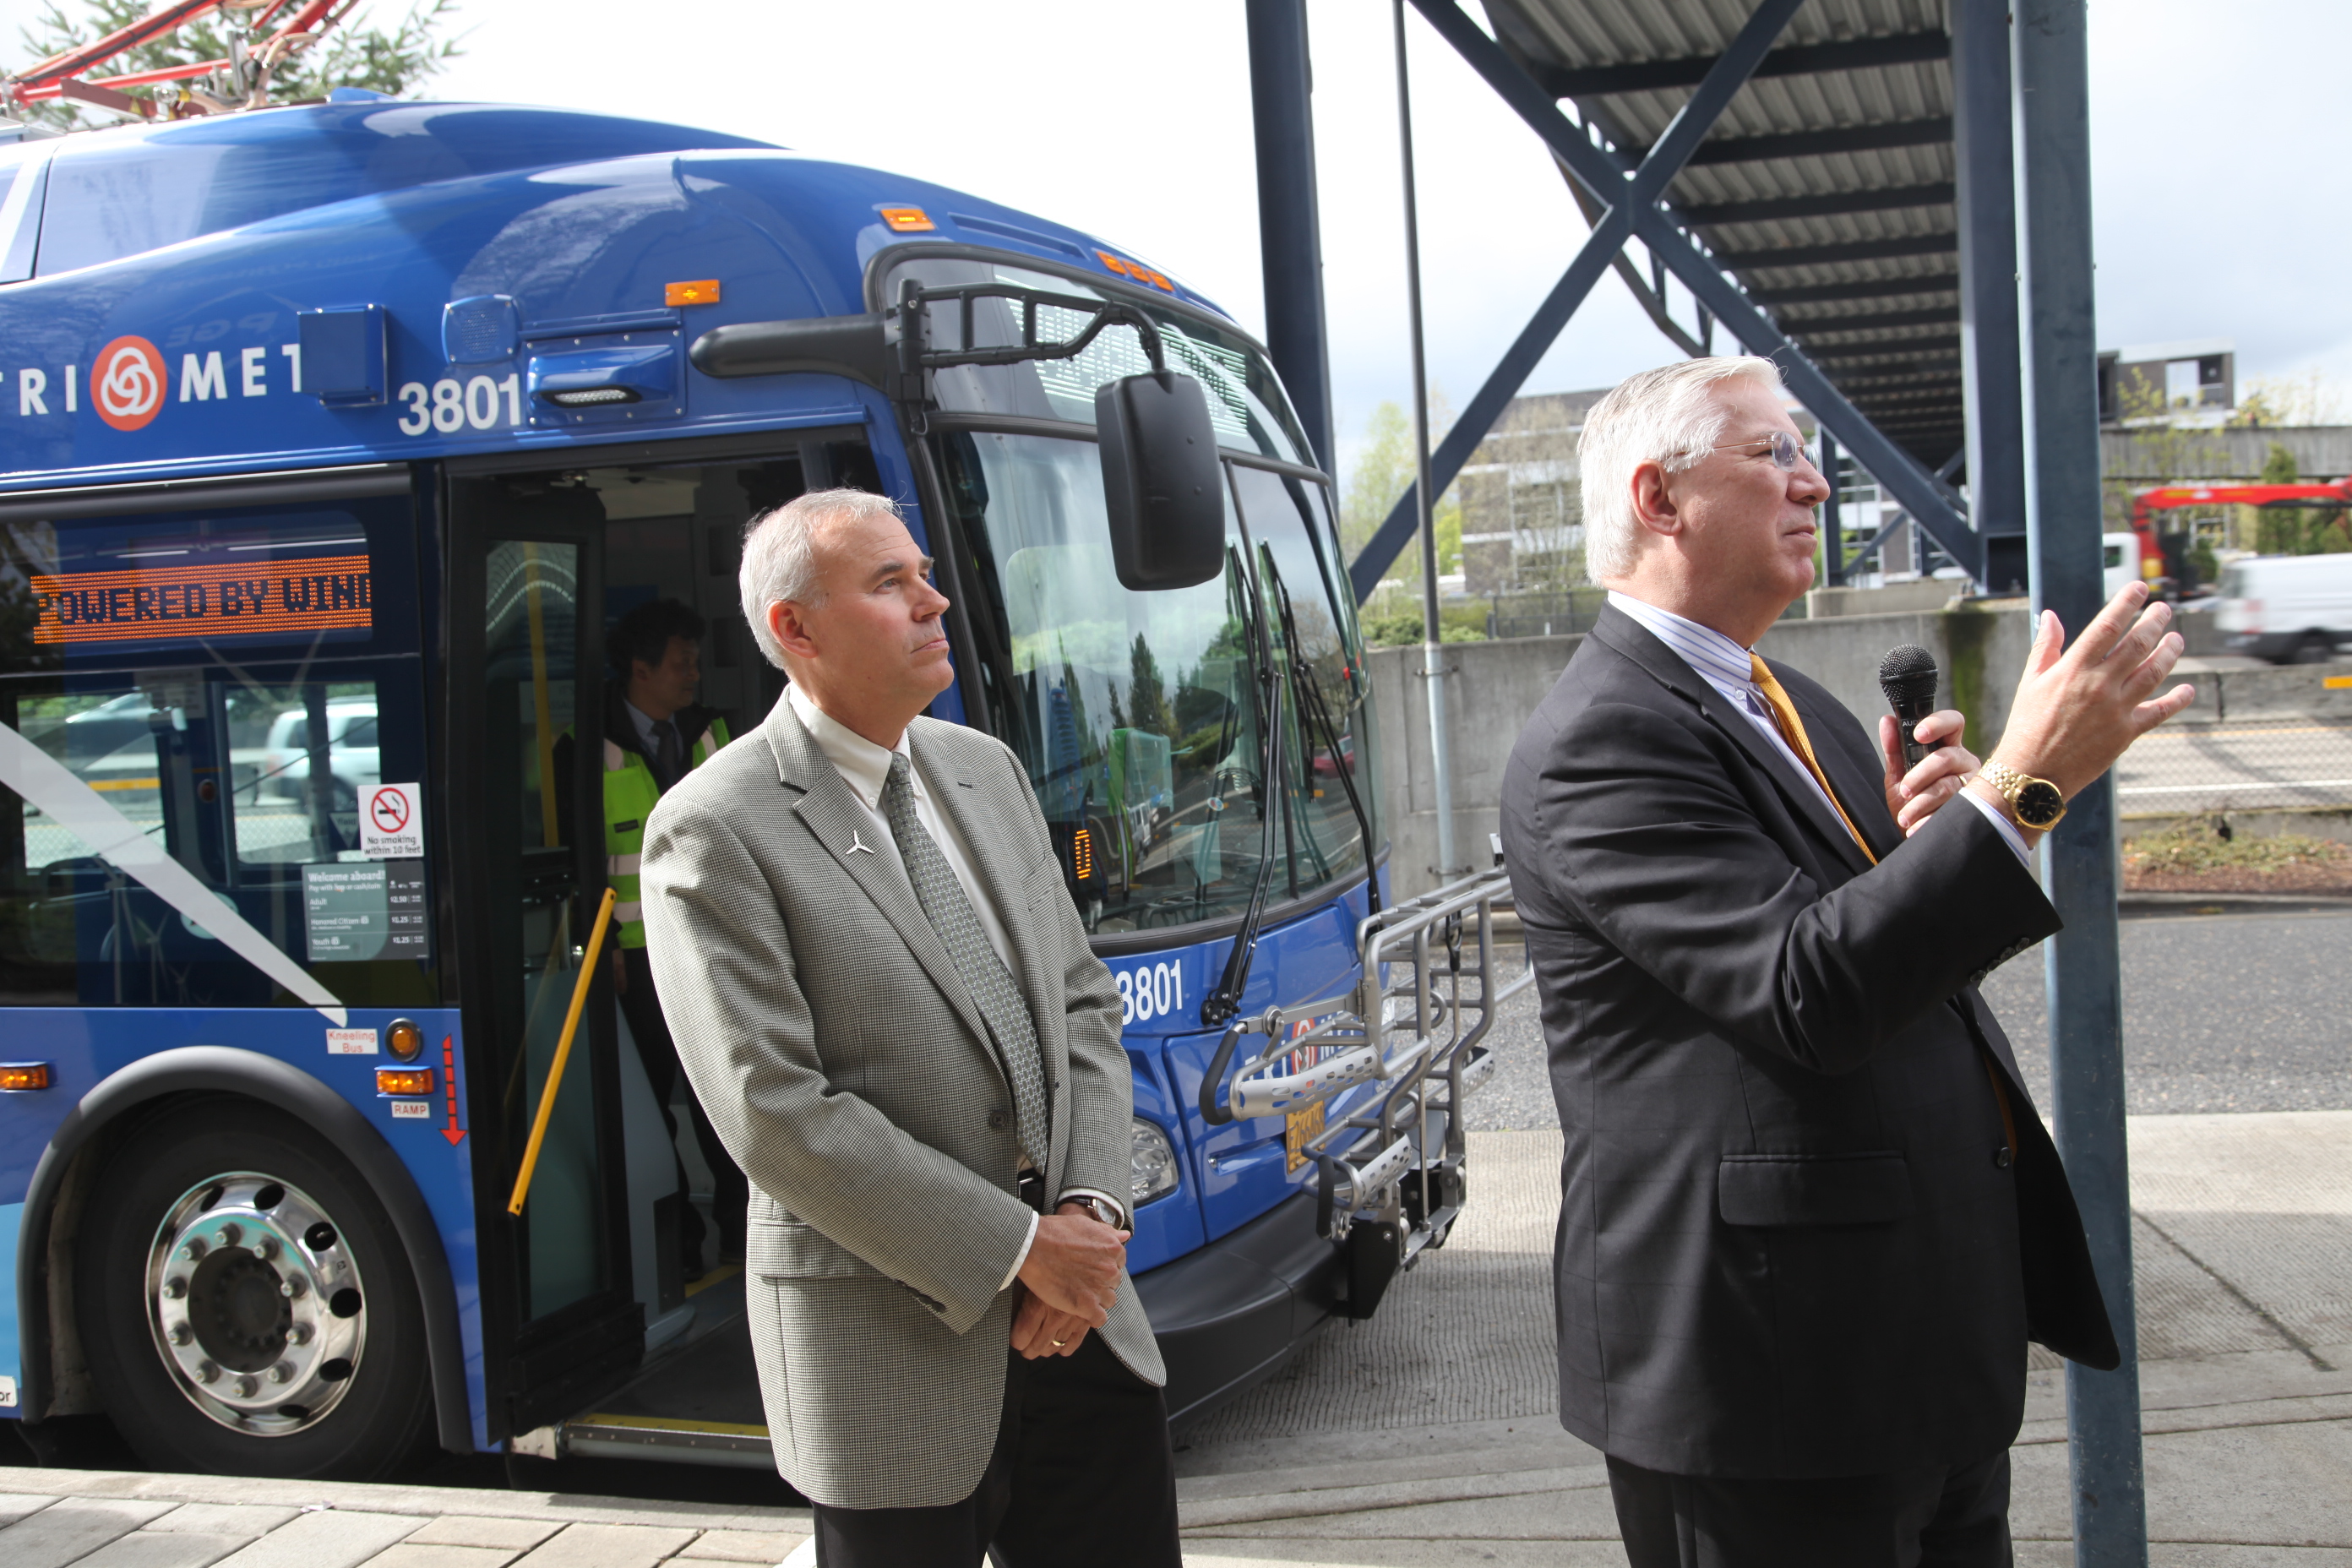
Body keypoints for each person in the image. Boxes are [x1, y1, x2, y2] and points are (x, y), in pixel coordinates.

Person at [1497, 357, 2193, 1566]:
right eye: (1773, 452)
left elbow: (1882, 963)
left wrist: (1947, 842)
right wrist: (2021, 794)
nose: (1814, 482)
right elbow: (1805, 991)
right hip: (1773, 1385)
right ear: (1660, 499)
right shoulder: (1601, 741)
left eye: (1807, 454)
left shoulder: (1796, 704)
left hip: (1917, 1352)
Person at [638, 488, 1179, 1567]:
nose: (934, 600)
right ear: (796, 628)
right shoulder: (712, 826)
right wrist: (1024, 1248)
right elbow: (776, 1113)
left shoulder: (987, 769)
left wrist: (1088, 1209)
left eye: (924, 573)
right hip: (891, 1360)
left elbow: (1080, 1001)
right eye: (891, 582)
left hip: (1083, 1328)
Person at [592, 596, 749, 1275]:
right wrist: (601, 948)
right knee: (651, 1105)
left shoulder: (714, 733)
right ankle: (677, 1247)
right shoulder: (584, 749)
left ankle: (742, 1232)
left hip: (712, 946)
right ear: (641, 669)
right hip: (633, 962)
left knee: (726, 1096)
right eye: (681, 663)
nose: (693, 675)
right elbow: (579, 862)